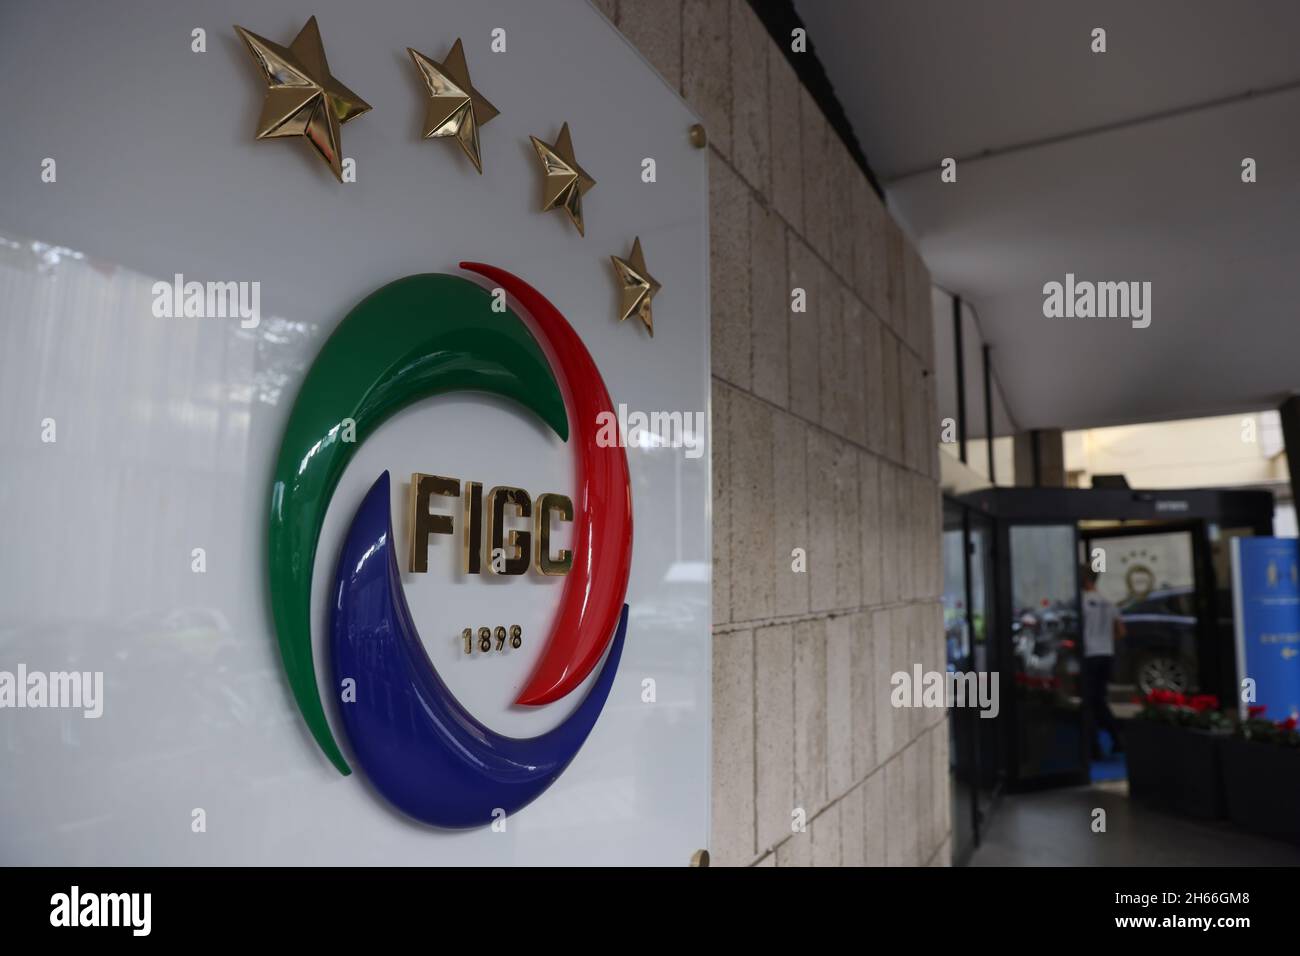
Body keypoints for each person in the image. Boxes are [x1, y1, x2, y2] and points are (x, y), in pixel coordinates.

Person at [1081, 566, 1125, 758]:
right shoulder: (1109, 603)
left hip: (1089, 655)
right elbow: (1121, 631)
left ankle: (1094, 747)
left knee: (1088, 702)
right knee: (1099, 699)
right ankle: (1117, 739)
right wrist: (1105, 640)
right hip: (1106, 654)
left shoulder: (1081, 603)